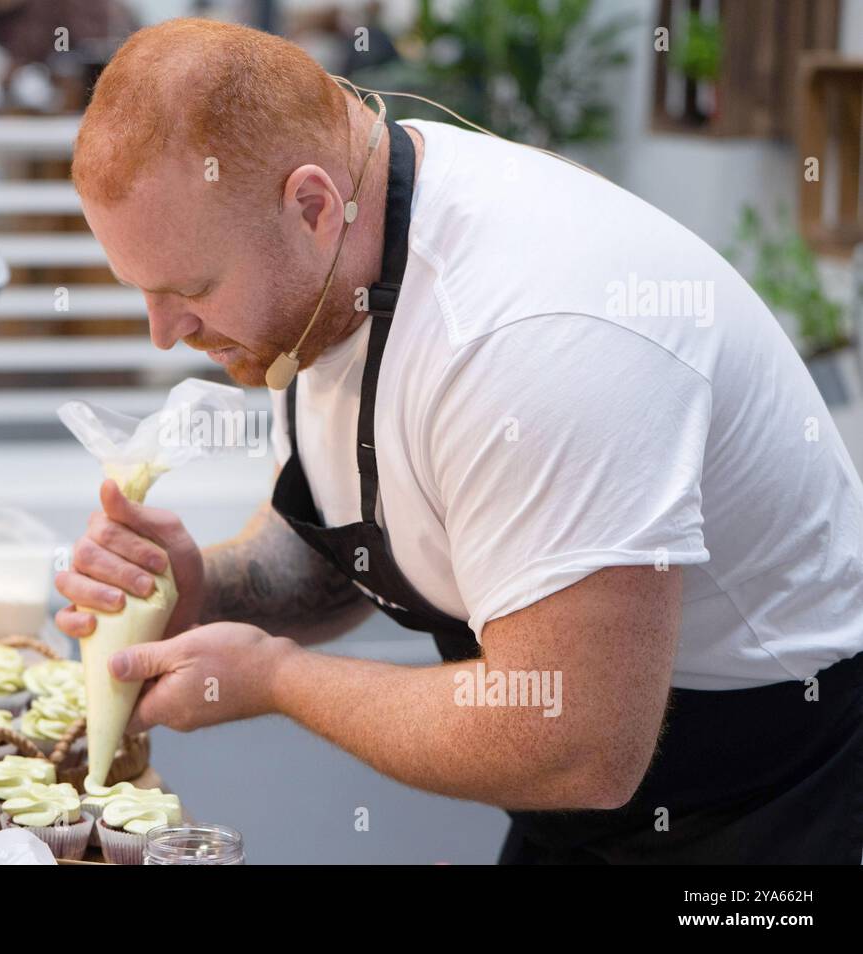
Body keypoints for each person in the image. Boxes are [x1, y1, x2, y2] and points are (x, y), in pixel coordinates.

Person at [56, 18, 863, 863]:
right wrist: (205, 587)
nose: (162, 333)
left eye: (190, 288)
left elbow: (574, 741)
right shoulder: (331, 267)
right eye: (140, 292)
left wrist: (277, 679)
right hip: (582, 814)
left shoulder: (534, 335)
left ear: (311, 206)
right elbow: (360, 544)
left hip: (774, 806)